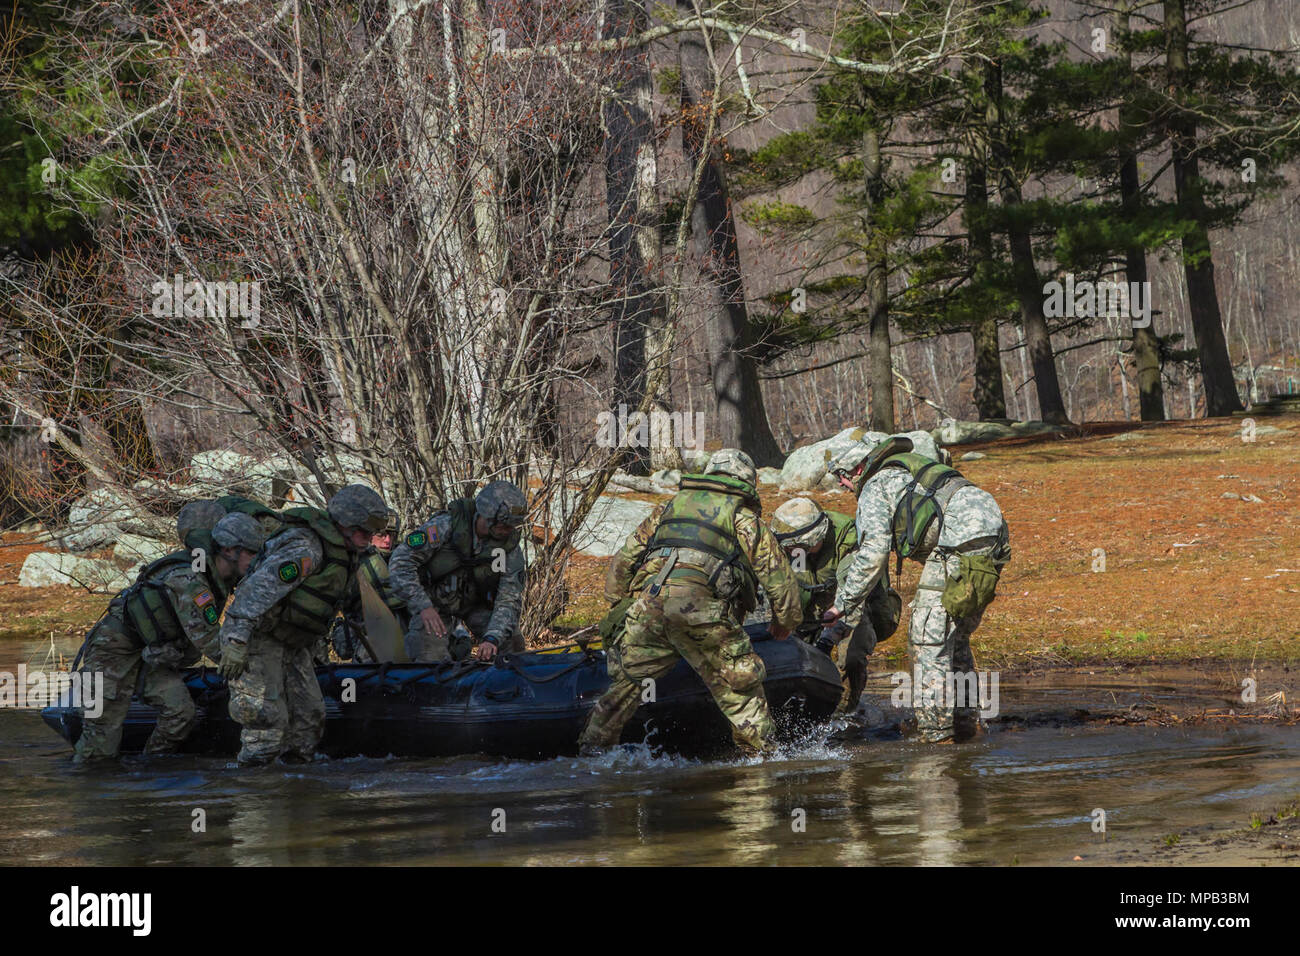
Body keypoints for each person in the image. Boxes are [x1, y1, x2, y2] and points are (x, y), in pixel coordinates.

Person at [577, 449, 802, 758]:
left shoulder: (667, 509)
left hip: (650, 606)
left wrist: (619, 604)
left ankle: (591, 755)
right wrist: (784, 622)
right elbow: (779, 578)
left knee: (626, 686)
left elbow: (624, 560)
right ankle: (761, 761)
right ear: (746, 480)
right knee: (740, 687)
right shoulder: (743, 518)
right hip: (702, 611)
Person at [826, 435, 1011, 742]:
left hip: (959, 543)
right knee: (955, 638)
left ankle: (935, 733)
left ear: (858, 468)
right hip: (994, 536)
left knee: (926, 638)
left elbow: (872, 554)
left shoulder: (876, 484)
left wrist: (842, 603)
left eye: (842, 478)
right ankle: (966, 723)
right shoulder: (908, 471)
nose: (842, 486)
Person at [216, 483, 388, 766]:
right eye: (363, 531)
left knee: (308, 721)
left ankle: (294, 796)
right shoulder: (306, 547)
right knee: (266, 725)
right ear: (345, 524)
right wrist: (236, 640)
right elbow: (255, 591)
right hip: (259, 636)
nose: (368, 539)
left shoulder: (347, 554)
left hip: (294, 643)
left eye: (371, 533)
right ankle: (253, 797)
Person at [73, 512, 265, 763]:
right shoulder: (190, 580)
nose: (256, 563)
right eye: (252, 554)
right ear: (229, 550)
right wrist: (258, 672)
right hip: (113, 649)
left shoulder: (214, 576)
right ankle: (92, 783)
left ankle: (149, 767)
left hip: (152, 655)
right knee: (100, 735)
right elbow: (209, 641)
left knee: (180, 714)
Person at [769, 497, 901, 713]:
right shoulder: (798, 549)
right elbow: (797, 585)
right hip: (817, 607)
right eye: (791, 548)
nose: (792, 552)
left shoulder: (851, 543)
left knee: (852, 656)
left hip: (857, 606)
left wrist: (825, 643)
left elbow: (852, 600)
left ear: (812, 540)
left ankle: (844, 712)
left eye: (796, 547)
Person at [387, 481, 529, 662]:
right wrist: (422, 606)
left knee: (512, 644)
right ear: (486, 516)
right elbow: (401, 563)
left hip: (476, 605)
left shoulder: (509, 548)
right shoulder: (444, 526)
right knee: (429, 656)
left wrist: (492, 637)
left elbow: (509, 597)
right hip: (434, 604)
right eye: (504, 526)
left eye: (511, 527)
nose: (508, 532)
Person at [330, 509, 408, 662]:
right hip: (368, 639)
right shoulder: (352, 562)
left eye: (391, 535)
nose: (387, 541)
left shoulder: (406, 561)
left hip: (405, 637)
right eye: (381, 535)